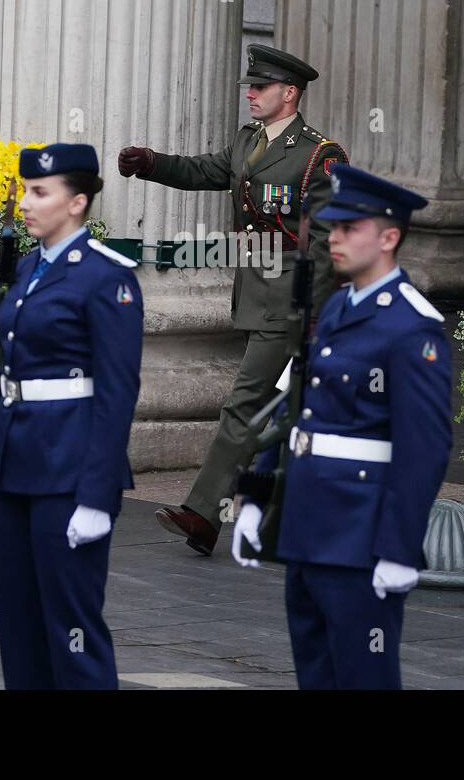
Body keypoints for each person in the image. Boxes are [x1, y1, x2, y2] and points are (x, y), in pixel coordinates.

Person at [117, 44, 348, 554]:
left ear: (289, 94)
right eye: (249, 86)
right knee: (289, 409)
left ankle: (203, 513)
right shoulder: (249, 142)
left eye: (260, 87)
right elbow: (207, 172)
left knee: (244, 402)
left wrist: (316, 313)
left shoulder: (319, 155)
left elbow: (328, 245)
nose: (250, 94)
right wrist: (152, 163)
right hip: (255, 288)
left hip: (289, 296)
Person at [0, 143, 143, 690]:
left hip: (68, 476)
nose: (25, 203)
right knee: (18, 627)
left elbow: (117, 396)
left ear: (76, 203)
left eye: (39, 192)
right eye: (25, 190)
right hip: (10, 469)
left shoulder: (107, 278)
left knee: (72, 628)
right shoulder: (28, 268)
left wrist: (97, 498)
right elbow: (2, 379)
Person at [231, 164, 452, 689]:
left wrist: (399, 550)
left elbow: (424, 448)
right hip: (307, 522)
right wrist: (257, 497)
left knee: (362, 675)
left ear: (389, 237)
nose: (335, 237)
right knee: (315, 671)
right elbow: (293, 412)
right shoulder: (333, 312)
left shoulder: (411, 326)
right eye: (333, 226)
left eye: (351, 228)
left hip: (360, 533)